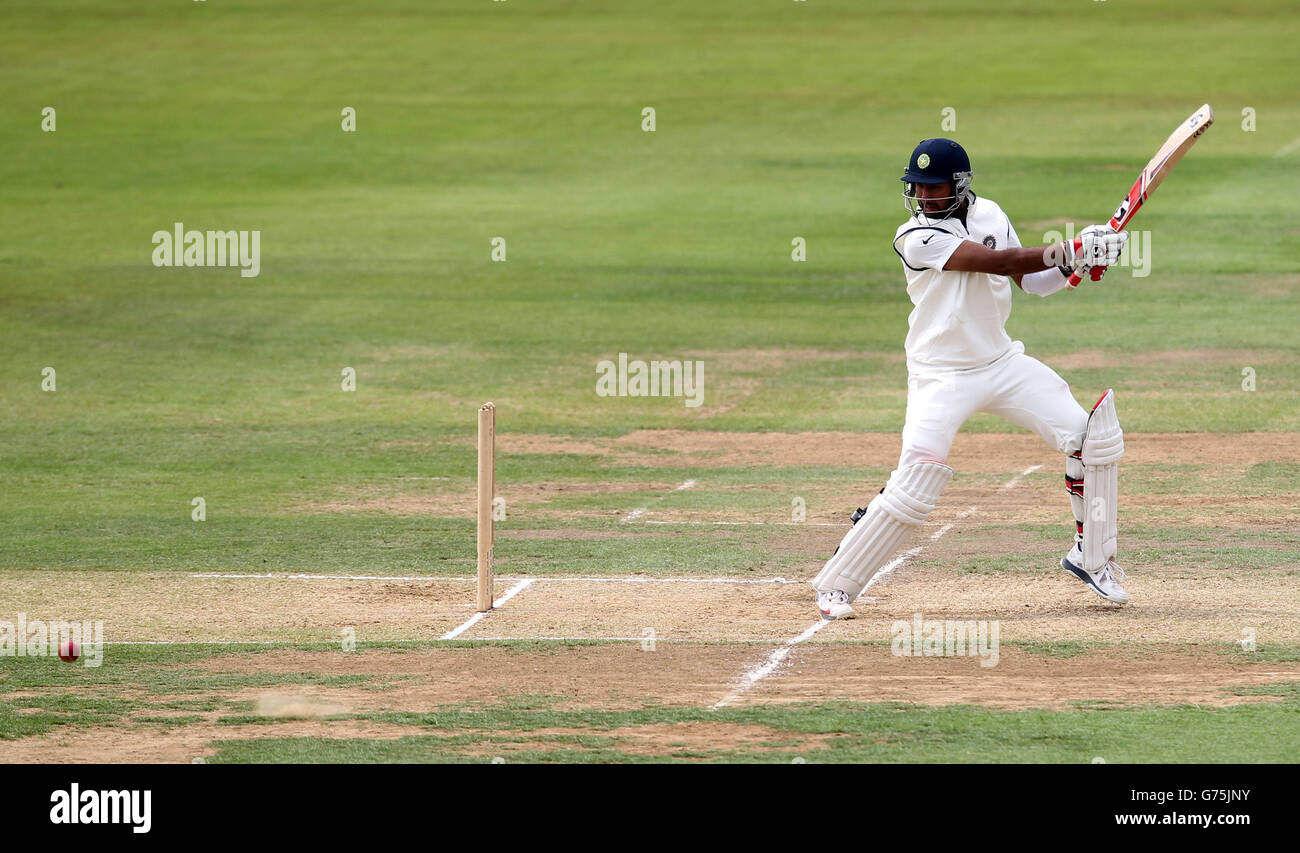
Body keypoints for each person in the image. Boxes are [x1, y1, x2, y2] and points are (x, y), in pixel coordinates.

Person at [814, 138, 1130, 621]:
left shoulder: (991, 215)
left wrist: (1076, 261)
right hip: (939, 376)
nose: (923, 198)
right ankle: (836, 583)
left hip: (1001, 363)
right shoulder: (914, 236)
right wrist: (1072, 247)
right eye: (916, 189)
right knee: (914, 483)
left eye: (933, 188)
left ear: (960, 186)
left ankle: (1092, 559)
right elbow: (999, 263)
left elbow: (1032, 282)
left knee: (1092, 439)